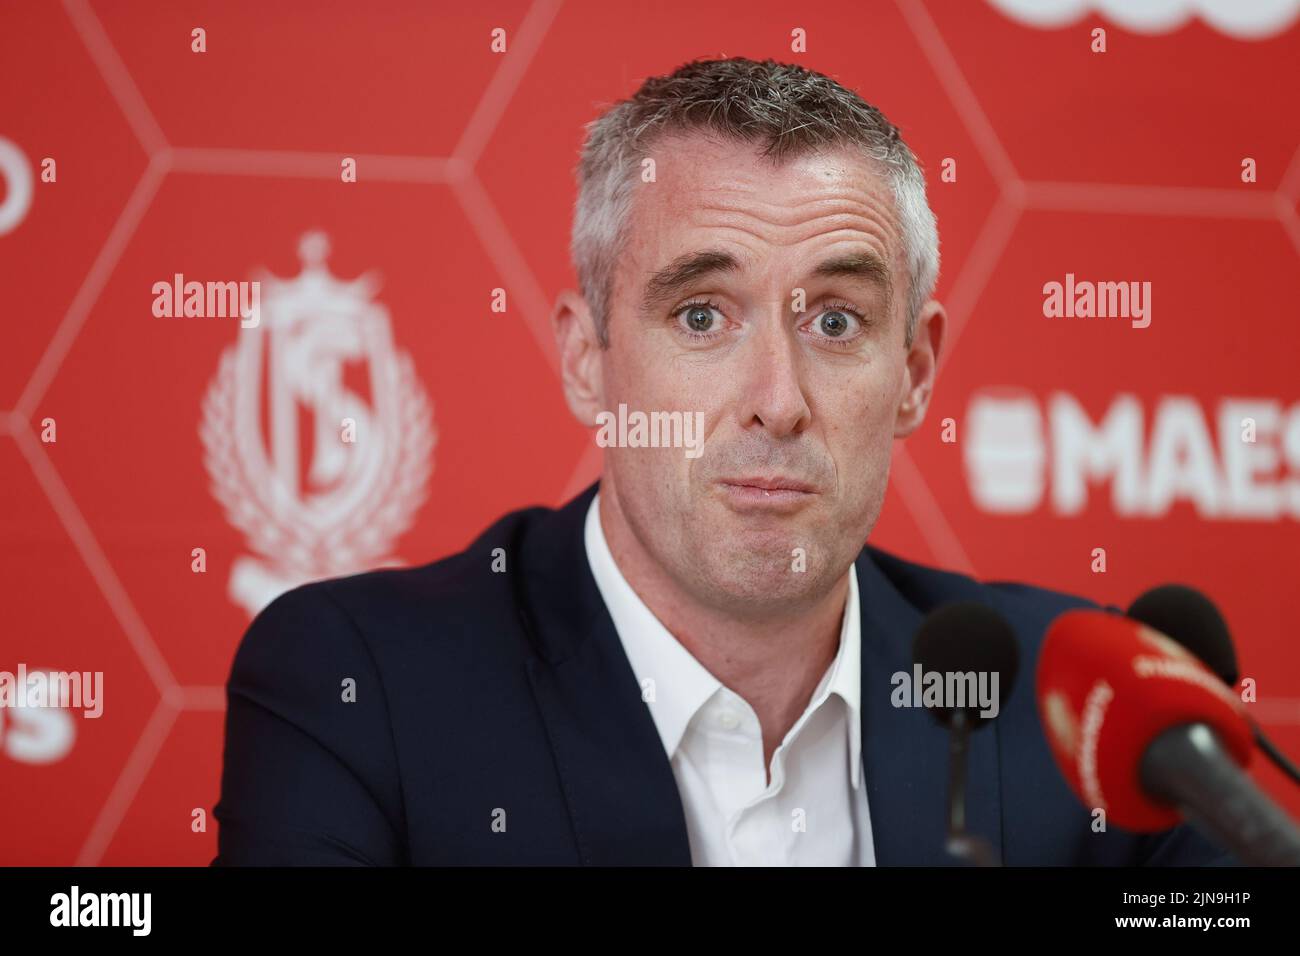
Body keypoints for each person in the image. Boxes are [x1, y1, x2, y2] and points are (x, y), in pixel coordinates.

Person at [213, 57, 1230, 866]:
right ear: (587, 357)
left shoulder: (1089, 703)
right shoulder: (360, 686)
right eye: (702, 315)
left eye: (836, 320)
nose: (777, 401)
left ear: (914, 372)